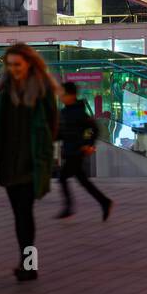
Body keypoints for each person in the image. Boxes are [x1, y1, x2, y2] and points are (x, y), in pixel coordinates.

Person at [0, 43, 59, 282]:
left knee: (25, 213)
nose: (14, 69)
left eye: (18, 64)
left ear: (29, 63)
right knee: (19, 214)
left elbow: (52, 125)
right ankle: (26, 262)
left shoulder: (42, 90)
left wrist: (44, 154)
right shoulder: (5, 91)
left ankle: (29, 265)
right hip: (9, 161)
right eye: (10, 65)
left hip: (30, 161)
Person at [56, 82, 113, 221]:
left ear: (72, 95)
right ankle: (104, 202)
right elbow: (62, 133)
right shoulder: (64, 111)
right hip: (69, 150)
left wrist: (88, 144)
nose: (61, 97)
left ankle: (69, 207)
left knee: (63, 177)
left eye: (63, 94)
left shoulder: (79, 112)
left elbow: (94, 129)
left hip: (77, 151)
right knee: (83, 181)